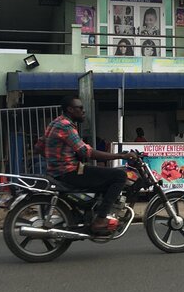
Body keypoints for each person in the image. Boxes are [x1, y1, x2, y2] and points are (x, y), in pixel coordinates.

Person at [42, 96, 132, 235]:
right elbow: (86, 151)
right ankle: (100, 220)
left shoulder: (55, 123)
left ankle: (92, 212)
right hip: (68, 172)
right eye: (80, 108)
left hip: (58, 171)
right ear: (70, 109)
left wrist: (61, 157)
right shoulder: (66, 125)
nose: (83, 111)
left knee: (104, 177)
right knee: (119, 175)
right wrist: (121, 156)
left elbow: (39, 147)